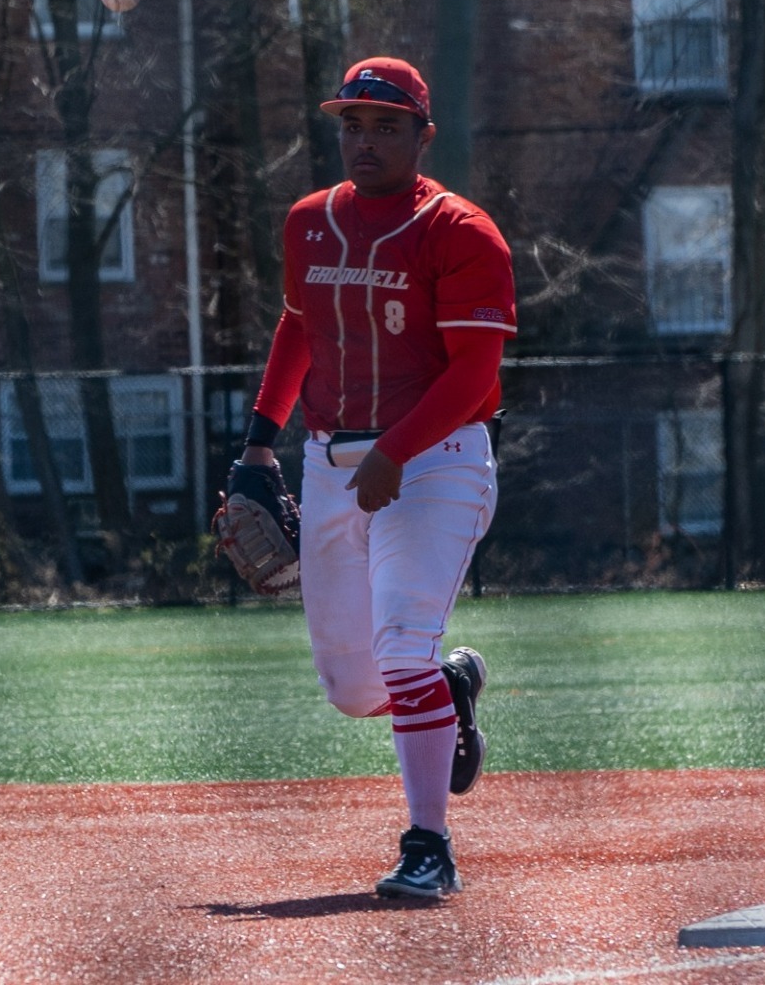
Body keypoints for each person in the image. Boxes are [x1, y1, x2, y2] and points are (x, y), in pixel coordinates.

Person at [239, 56, 514, 898]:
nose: (364, 140)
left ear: (423, 136)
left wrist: (397, 449)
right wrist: (257, 448)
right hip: (330, 460)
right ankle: (451, 689)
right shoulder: (309, 222)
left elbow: (475, 374)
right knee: (356, 688)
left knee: (400, 650)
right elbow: (297, 332)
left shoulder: (462, 232)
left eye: (386, 125)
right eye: (352, 124)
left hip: (437, 460)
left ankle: (428, 846)